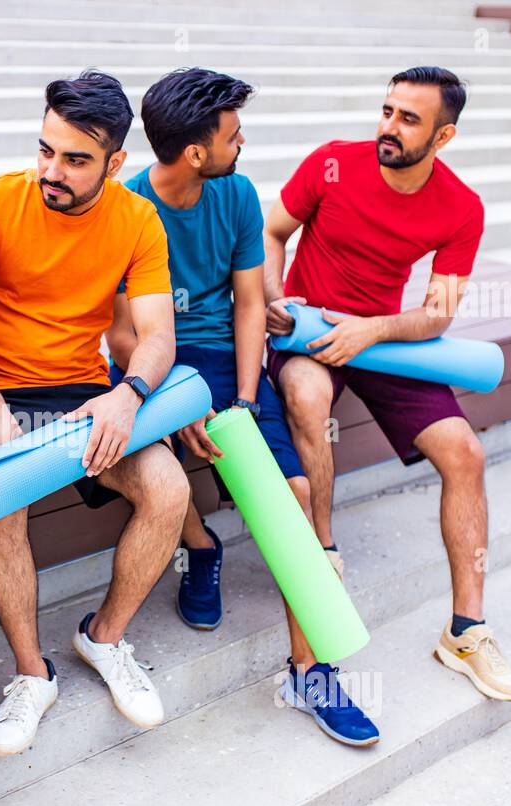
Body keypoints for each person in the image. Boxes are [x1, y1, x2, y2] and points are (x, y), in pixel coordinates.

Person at [109, 67, 378, 746]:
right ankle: (201, 548)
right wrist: (175, 398)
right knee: (159, 468)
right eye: (234, 133)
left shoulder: (235, 194)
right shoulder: (127, 206)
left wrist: (247, 397)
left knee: (289, 490)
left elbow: (251, 301)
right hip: (152, 362)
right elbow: (118, 329)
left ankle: (309, 671)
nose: (243, 142)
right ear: (195, 150)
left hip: (230, 361)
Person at [263, 67, 511, 702]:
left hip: (383, 340)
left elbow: (437, 314)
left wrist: (372, 331)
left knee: (466, 451)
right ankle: (323, 554)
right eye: (387, 111)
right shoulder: (331, 164)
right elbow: (273, 233)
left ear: (443, 136)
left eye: (409, 119)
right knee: (306, 394)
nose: (389, 126)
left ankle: (466, 632)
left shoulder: (461, 206)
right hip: (311, 334)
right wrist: (277, 300)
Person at [0, 70, 189, 756]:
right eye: (46, 150)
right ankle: (32, 676)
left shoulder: (137, 218)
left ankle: (103, 638)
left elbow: (158, 336)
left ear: (116, 164)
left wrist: (127, 393)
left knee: (168, 488)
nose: (52, 170)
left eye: (75, 159)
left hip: (87, 395)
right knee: (4, 506)